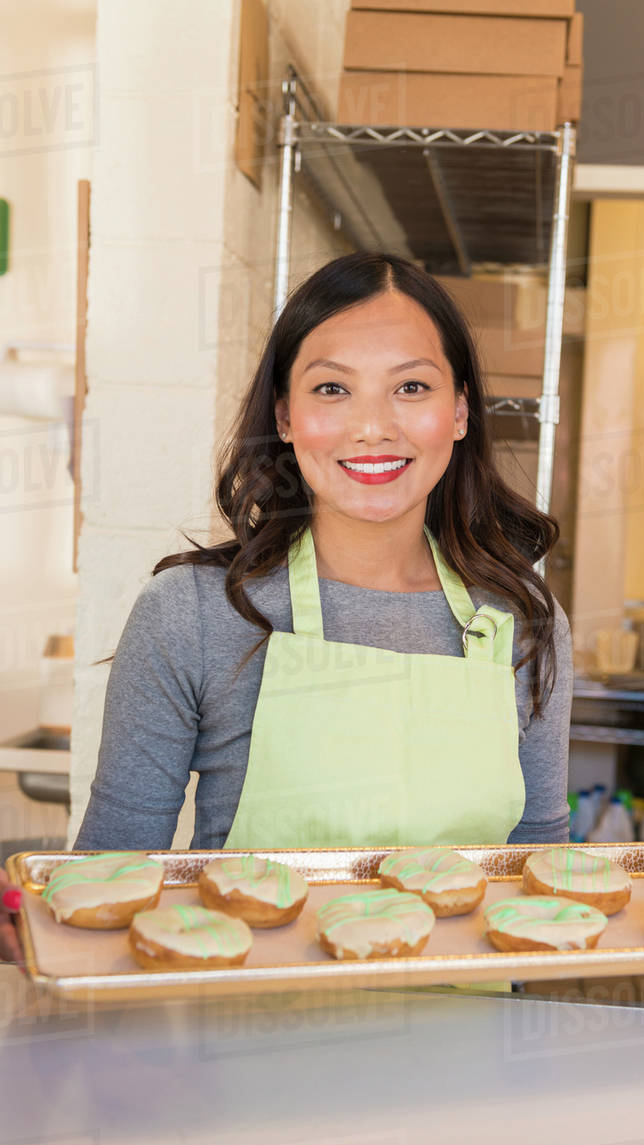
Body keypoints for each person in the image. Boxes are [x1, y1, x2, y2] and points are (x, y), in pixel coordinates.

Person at [0, 251, 572, 961]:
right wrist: (43, 933)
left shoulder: (523, 622)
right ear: (285, 415)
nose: (371, 427)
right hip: (239, 1047)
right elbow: (110, 877)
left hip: (469, 1045)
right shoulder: (195, 614)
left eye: (411, 387)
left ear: (458, 412)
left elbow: (537, 878)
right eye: (332, 389)